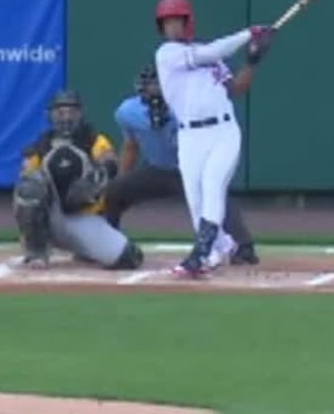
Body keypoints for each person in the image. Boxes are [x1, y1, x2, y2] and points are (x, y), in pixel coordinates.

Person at [152, 0, 272, 279]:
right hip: (190, 137)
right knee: (196, 200)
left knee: (212, 186)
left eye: (177, 21)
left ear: (187, 22)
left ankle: (199, 255)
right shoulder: (167, 53)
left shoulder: (212, 57)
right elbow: (210, 52)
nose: (172, 27)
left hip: (223, 132)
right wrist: (248, 34)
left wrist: (253, 60)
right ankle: (221, 249)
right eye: (167, 22)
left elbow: (237, 88)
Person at [104, 66, 260, 265]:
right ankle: (107, 243)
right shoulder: (128, 112)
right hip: (157, 169)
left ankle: (243, 246)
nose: (156, 92)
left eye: (161, 86)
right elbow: (130, 146)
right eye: (151, 87)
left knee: (214, 194)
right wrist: (122, 178)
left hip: (189, 169)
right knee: (114, 191)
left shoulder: (189, 107)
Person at [13, 90, 145, 271]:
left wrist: (91, 184)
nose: (66, 118)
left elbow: (110, 163)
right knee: (30, 187)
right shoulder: (41, 145)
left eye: (71, 112)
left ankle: (84, 249)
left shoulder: (93, 139)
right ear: (50, 116)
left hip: (85, 216)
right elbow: (26, 180)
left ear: (80, 114)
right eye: (60, 113)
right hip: (53, 217)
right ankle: (36, 249)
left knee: (128, 258)